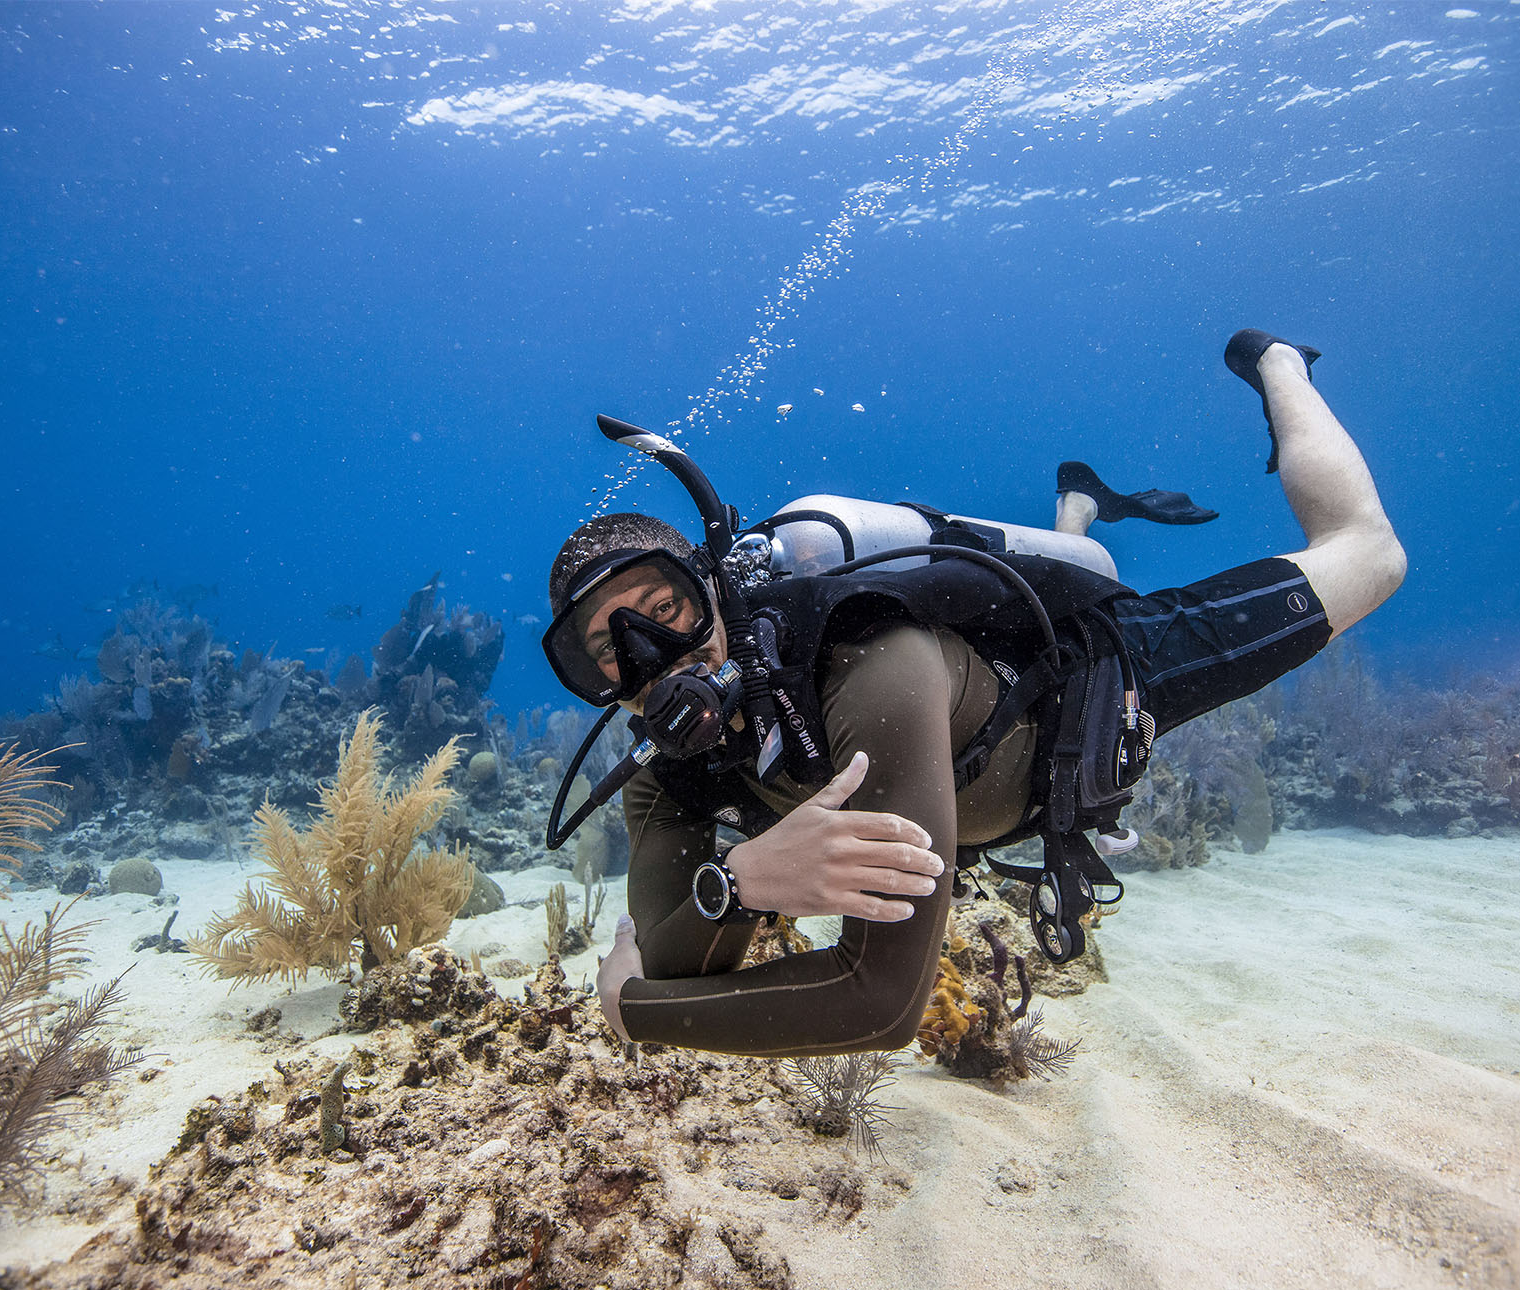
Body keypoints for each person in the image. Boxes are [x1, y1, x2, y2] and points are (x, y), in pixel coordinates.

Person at [543, 331, 1406, 1057]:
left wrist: (633, 1013)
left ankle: (1279, 361)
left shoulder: (866, 665)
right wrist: (737, 884)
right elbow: (682, 958)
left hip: (1092, 692)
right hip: (977, 766)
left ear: (715, 587)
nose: (653, 659)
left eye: (667, 612)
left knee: (1368, 557)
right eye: (607, 655)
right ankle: (1077, 510)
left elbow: (881, 1003)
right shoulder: (668, 779)